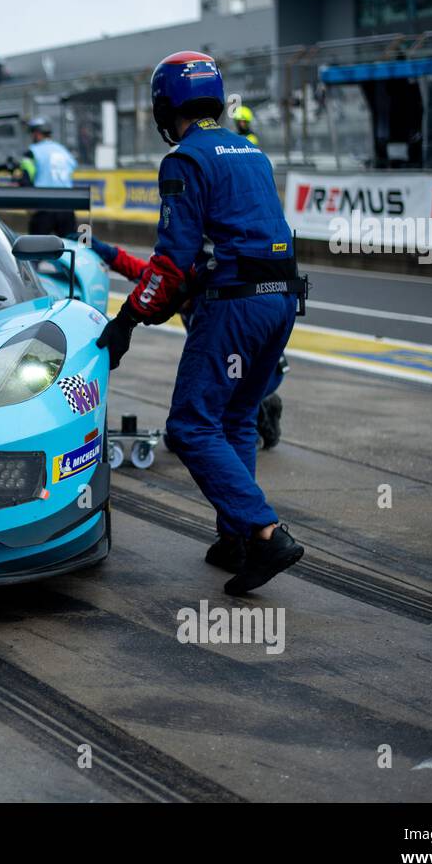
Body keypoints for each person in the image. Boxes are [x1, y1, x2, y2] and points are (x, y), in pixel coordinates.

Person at [96, 50, 305, 596]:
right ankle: (235, 539)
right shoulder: (251, 152)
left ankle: (265, 533)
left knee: (190, 426)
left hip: (234, 305)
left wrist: (126, 320)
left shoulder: (185, 161)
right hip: (282, 301)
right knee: (236, 421)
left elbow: (172, 262)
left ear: (165, 105)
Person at [86, 234, 289, 449]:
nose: (169, 306)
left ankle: (260, 414)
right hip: (237, 364)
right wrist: (99, 248)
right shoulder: (172, 288)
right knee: (181, 435)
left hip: (262, 370)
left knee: (213, 422)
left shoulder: (215, 302)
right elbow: (136, 270)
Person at [20, 117, 78, 235]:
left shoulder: (32, 152)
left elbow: (26, 180)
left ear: (37, 134)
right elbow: (71, 168)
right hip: (67, 204)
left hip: (44, 204)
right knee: (70, 244)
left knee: (36, 247)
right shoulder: (63, 151)